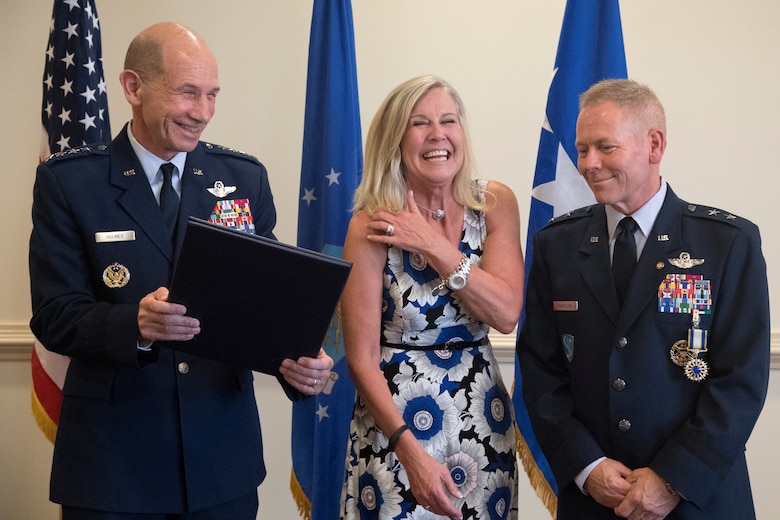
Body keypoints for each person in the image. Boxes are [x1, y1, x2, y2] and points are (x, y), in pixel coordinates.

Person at [29, 22, 334, 520]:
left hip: (221, 461)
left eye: (212, 95)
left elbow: (268, 303)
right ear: (133, 87)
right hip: (114, 466)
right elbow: (54, 315)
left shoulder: (242, 179)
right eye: (187, 92)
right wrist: (136, 325)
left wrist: (301, 360)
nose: (203, 113)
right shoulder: (70, 183)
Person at [516, 78, 770, 519]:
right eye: (581, 149)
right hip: (596, 500)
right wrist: (586, 465)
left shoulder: (727, 243)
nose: (588, 164)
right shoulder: (557, 245)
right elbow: (540, 370)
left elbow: (740, 379)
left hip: (697, 499)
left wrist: (673, 477)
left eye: (605, 147)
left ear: (654, 144)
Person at [338, 75, 525, 520]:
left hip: (483, 419)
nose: (438, 134)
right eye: (420, 123)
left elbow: (505, 313)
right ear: (395, 139)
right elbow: (360, 358)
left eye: (448, 121)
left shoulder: (495, 204)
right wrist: (408, 450)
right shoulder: (371, 224)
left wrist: (433, 245)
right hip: (395, 429)